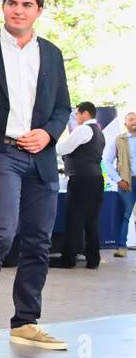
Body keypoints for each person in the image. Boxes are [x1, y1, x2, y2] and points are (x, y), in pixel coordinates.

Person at [0, 0, 70, 350]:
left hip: (41, 158)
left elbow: (62, 107)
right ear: (3, 6)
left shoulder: (52, 54)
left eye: (26, 5)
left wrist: (49, 134)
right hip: (1, 155)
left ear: (38, 10)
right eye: (12, 3)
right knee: (2, 233)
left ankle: (26, 322)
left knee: (39, 241)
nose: (18, 10)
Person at [58, 101, 105, 270]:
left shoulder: (84, 129)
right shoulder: (99, 132)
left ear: (85, 114)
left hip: (82, 179)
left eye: (77, 113)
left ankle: (69, 258)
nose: (76, 117)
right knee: (91, 219)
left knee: (74, 217)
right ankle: (93, 259)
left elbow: (62, 148)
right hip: (96, 178)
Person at [102, 111, 136, 256]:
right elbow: (107, 162)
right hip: (127, 181)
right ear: (125, 124)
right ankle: (122, 247)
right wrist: (118, 180)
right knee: (125, 214)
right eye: (131, 119)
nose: (134, 121)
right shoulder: (119, 140)